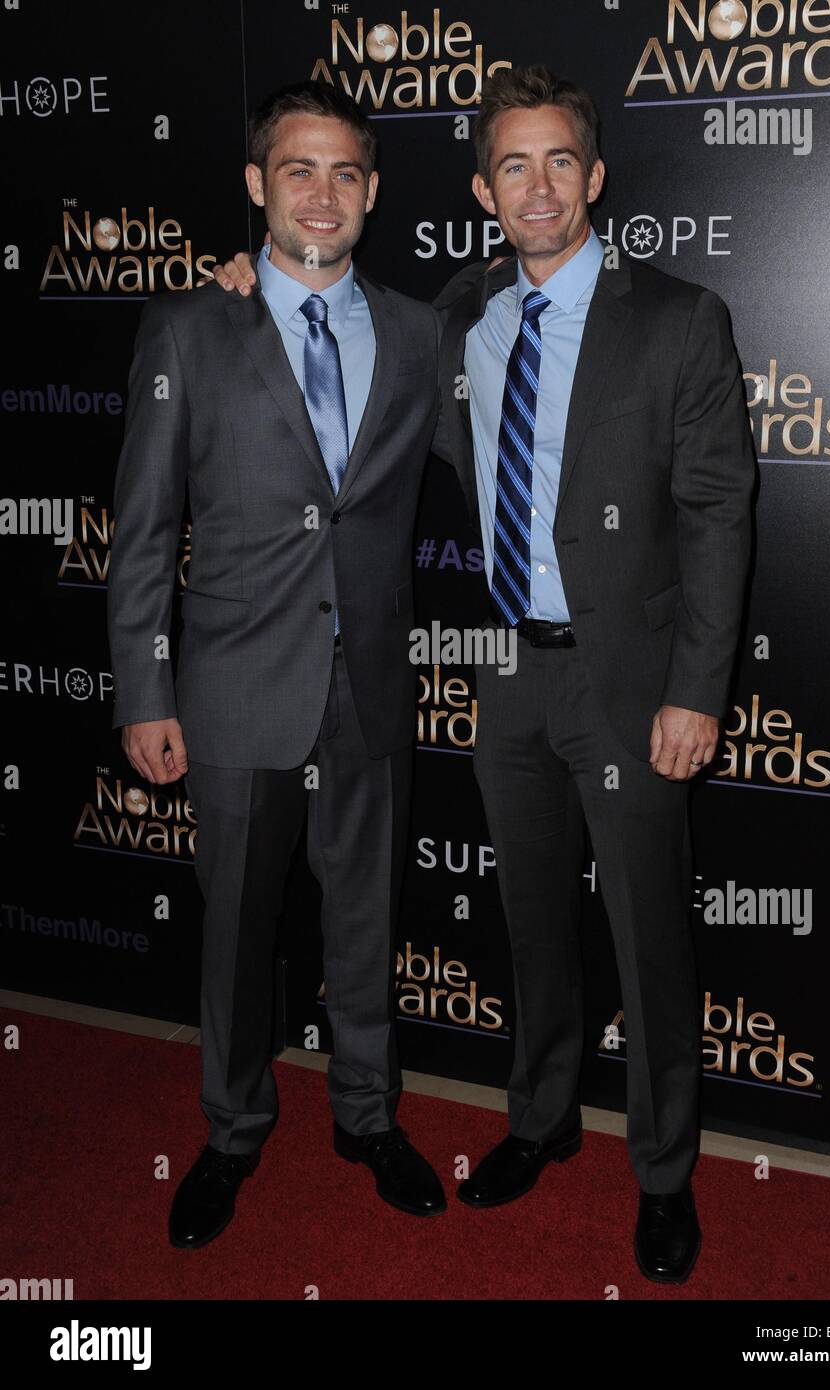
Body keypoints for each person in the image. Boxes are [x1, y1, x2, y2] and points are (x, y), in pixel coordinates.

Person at [213, 64, 757, 1285]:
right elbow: (328, 315)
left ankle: (664, 1173)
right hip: (507, 676)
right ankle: (542, 1120)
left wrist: (697, 690)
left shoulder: (678, 317)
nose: (540, 185)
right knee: (531, 926)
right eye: (514, 164)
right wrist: (238, 281)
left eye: (560, 159)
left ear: (596, 175)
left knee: (649, 939)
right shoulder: (458, 314)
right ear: (482, 189)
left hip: (633, 687)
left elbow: (720, 513)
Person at [107, 79, 447, 1251]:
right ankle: (233, 1129)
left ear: (371, 193)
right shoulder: (190, 326)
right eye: (297, 169)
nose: (322, 193)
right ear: (257, 185)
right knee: (237, 932)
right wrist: (144, 691)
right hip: (237, 689)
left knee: (365, 922)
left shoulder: (418, 331)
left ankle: (367, 1116)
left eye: (345, 173)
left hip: (370, 692)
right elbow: (145, 530)